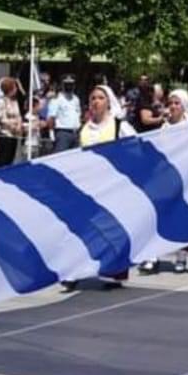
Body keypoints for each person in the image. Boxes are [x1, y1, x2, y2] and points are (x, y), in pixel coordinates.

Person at [60, 85, 137, 292]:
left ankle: (113, 272)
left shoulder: (119, 126)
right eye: (93, 98)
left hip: (112, 187)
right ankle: (73, 272)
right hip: (86, 187)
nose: (95, 101)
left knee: (112, 230)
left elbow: (137, 149)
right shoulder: (83, 129)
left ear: (108, 102)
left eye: (100, 98)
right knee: (79, 229)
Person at [139, 88, 188, 275]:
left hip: (184, 178)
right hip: (164, 178)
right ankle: (152, 256)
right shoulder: (164, 127)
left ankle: (180, 257)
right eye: (170, 103)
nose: (172, 107)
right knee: (158, 216)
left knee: (179, 218)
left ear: (184, 106)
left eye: (176, 103)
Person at [0, 78, 24, 168]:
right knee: (3, 159)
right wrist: (13, 125)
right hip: (5, 134)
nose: (16, 89)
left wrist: (19, 124)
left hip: (15, 135)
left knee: (11, 159)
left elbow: (19, 115)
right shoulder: (1, 101)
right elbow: (2, 119)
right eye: (15, 87)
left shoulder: (15, 101)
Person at [47, 74, 81, 153]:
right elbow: (51, 118)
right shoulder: (57, 99)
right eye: (67, 84)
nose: (69, 86)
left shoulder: (76, 99)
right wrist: (52, 134)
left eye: (71, 84)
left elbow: (78, 115)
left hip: (75, 133)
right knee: (60, 159)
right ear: (62, 85)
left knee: (75, 159)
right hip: (63, 134)